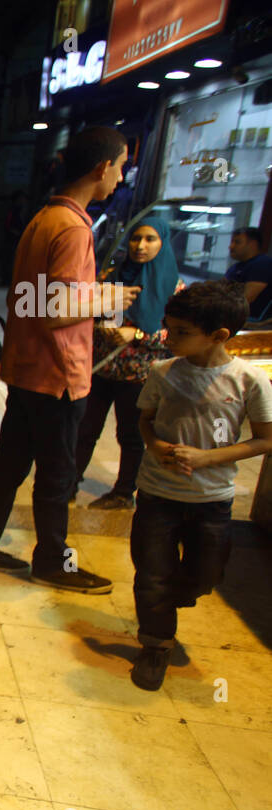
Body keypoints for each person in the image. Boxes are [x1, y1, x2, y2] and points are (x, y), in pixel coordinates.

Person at [0, 127, 140, 593]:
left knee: (11, 465)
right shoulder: (74, 227)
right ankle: (55, 562)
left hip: (28, 369)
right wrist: (109, 299)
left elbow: (34, 300)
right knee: (58, 477)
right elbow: (57, 310)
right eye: (120, 166)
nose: (120, 177)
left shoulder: (45, 219)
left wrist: (95, 294)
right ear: (102, 167)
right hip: (57, 375)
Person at [128, 281, 272, 690]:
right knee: (152, 574)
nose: (168, 337)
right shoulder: (162, 371)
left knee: (204, 575)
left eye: (180, 332)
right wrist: (156, 446)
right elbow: (145, 420)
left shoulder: (249, 381)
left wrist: (207, 458)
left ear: (219, 335)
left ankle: (174, 597)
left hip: (212, 500)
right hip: (158, 494)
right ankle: (156, 645)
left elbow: (265, 438)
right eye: (168, 327)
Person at [73, 217, 179, 510]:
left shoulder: (174, 287)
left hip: (141, 375)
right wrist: (103, 327)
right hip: (102, 369)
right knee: (86, 429)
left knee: (131, 434)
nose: (140, 246)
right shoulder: (113, 277)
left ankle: (123, 492)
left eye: (149, 239)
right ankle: (70, 483)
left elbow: (179, 335)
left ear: (163, 243)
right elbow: (88, 314)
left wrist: (139, 333)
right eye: (135, 239)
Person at [223, 227, 272, 323]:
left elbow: (247, 298)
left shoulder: (262, 264)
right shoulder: (235, 267)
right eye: (232, 242)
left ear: (252, 244)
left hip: (249, 320)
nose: (231, 247)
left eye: (237, 242)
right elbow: (218, 290)